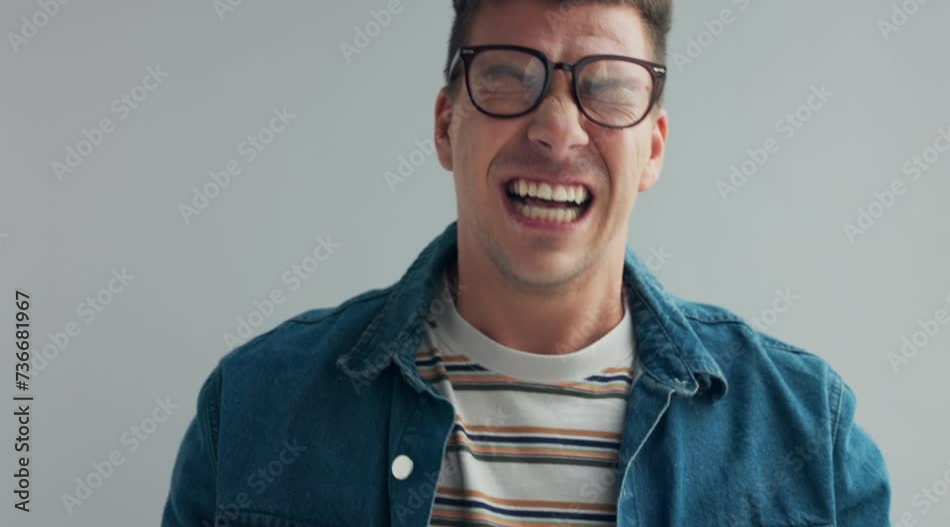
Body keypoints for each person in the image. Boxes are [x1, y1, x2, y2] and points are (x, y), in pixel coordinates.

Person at [162, 1, 891, 525]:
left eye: (605, 86)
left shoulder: (808, 436)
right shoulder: (255, 408)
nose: (555, 126)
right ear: (447, 124)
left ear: (655, 147)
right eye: (510, 76)